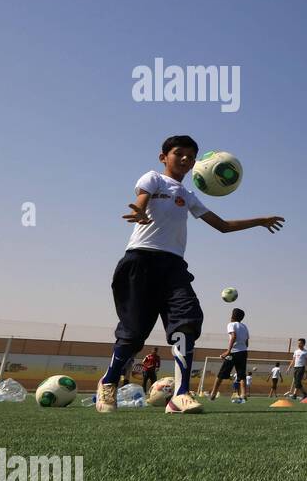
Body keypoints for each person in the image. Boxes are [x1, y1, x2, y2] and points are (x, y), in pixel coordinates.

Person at [96, 135, 284, 414]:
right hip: (139, 261)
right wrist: (138, 210)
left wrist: (259, 221)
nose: (185, 159)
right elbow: (142, 198)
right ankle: (108, 383)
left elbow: (221, 225)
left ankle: (180, 395)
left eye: (190, 156)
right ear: (163, 157)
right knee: (133, 333)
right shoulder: (153, 178)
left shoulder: (189, 195)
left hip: (173, 267)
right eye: (178, 153)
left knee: (187, 321)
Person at [210, 308, 251, 402]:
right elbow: (247, 342)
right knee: (241, 374)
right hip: (243, 352)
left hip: (233, 352)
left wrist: (228, 351)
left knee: (221, 374)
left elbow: (233, 336)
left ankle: (213, 394)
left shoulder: (231, 324)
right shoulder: (244, 327)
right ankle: (244, 394)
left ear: (232, 316)